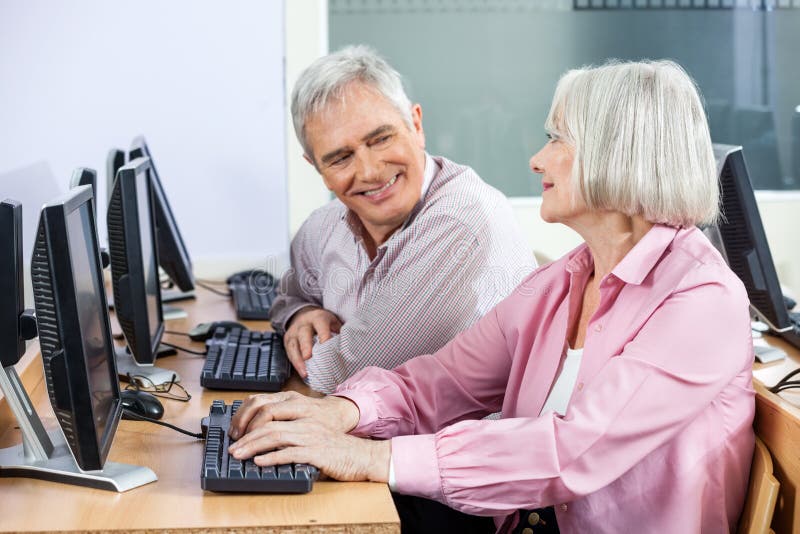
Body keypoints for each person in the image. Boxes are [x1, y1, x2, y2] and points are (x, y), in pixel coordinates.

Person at [230, 60, 756, 533]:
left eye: (556, 139)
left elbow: (571, 452)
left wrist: (370, 458)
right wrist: (339, 413)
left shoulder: (701, 300)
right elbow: (440, 382)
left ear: (617, 152)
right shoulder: (566, 280)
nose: (536, 159)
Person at [270, 45, 535, 393]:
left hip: (458, 443)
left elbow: (350, 374)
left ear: (416, 124)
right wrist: (300, 315)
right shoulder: (324, 226)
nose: (369, 172)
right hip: (375, 436)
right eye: (340, 158)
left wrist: (309, 351)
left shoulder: (459, 222)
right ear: (316, 167)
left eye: (380, 139)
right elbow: (286, 294)